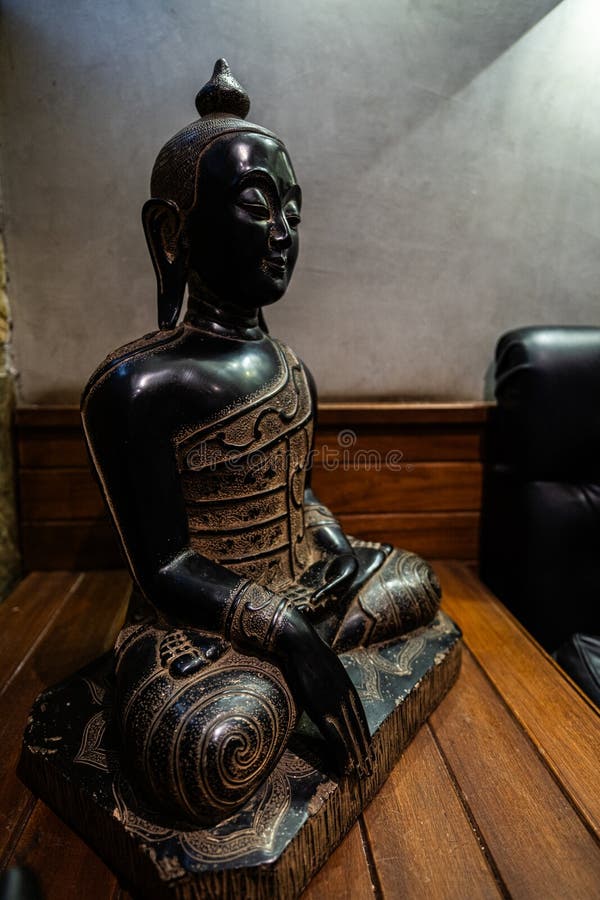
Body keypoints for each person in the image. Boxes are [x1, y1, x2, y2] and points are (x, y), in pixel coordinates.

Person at [81, 60, 441, 824]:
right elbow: (165, 566)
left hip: (304, 584)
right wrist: (286, 633)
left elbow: (299, 494)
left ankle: (300, 665)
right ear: (171, 231)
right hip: (208, 621)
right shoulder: (137, 387)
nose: (283, 234)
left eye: (294, 212)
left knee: (414, 581)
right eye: (256, 205)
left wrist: (334, 552)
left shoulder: (290, 369)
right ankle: (292, 671)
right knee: (213, 749)